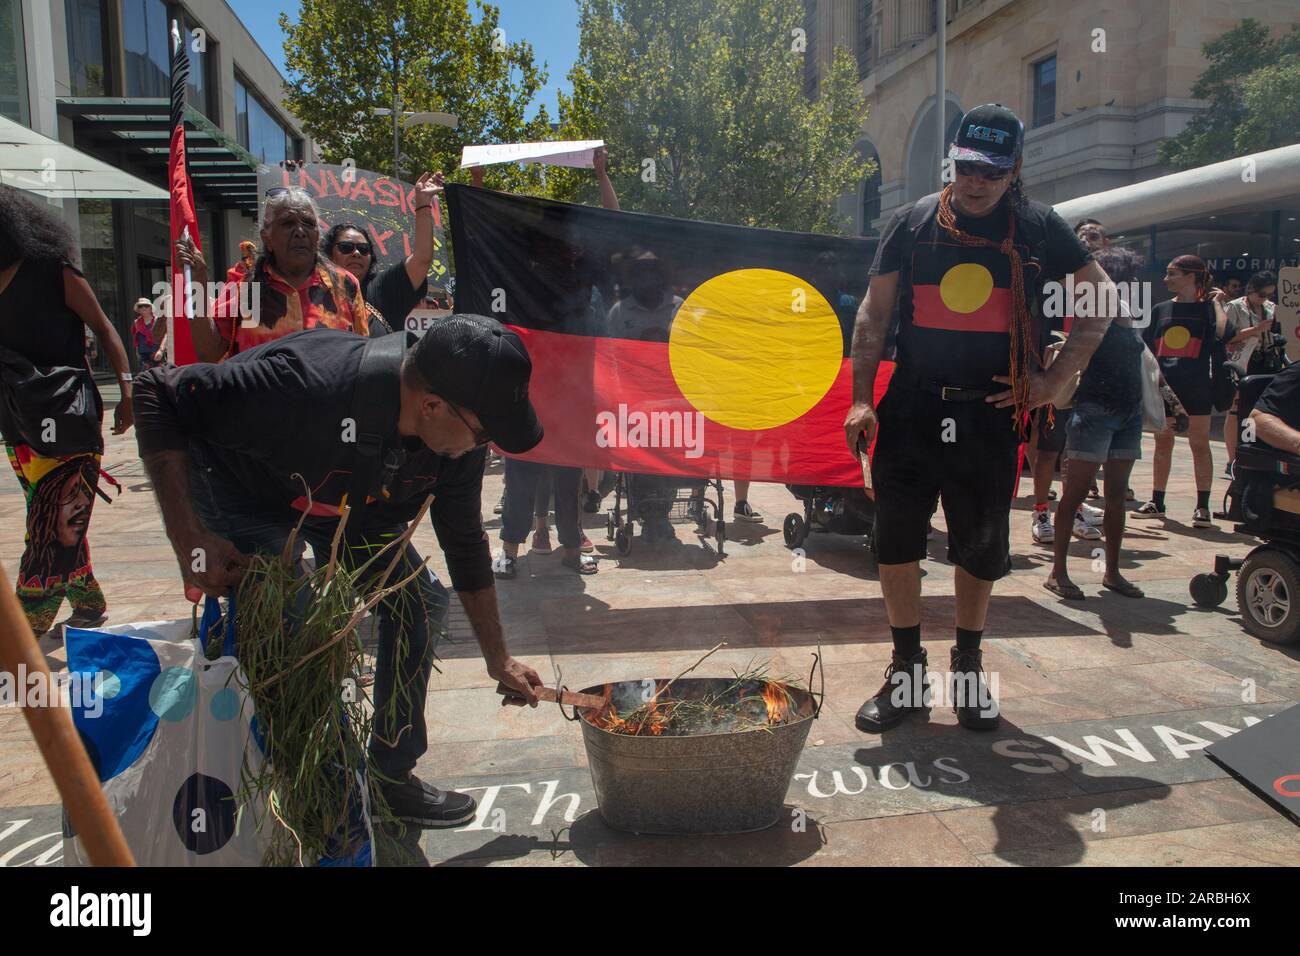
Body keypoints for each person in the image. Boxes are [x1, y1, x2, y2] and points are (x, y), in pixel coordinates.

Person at [132, 315, 546, 828]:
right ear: (431, 405)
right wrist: (188, 537)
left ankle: (391, 778)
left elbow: (464, 543)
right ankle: (318, 790)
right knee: (296, 623)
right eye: (484, 432)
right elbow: (157, 391)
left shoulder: (452, 445)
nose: (486, 446)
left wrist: (498, 657)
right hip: (242, 488)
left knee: (416, 601)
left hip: (349, 498)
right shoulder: (302, 386)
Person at [844, 104, 1112, 733]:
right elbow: (872, 316)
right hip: (910, 406)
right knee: (897, 542)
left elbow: (1101, 301)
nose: (976, 181)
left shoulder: (1041, 228)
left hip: (990, 416)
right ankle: (906, 675)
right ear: (953, 160)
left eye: (991, 171)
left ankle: (968, 671)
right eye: (966, 166)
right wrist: (861, 397)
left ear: (1014, 169)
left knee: (981, 546)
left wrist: (1053, 380)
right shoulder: (910, 222)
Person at [0, 185, 134, 635]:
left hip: (67, 416)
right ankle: (89, 602)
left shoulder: (49, 268)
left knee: (52, 528)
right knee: (57, 514)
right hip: (17, 421)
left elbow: (104, 326)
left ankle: (23, 629)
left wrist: (127, 388)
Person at [1043, 245, 1149, 600]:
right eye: (1127, 277)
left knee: (1116, 496)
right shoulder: (1094, 311)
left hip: (1126, 414)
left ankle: (1112, 572)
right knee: (1074, 495)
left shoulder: (1124, 314)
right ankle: (1058, 571)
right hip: (1094, 413)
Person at [174, 187, 367, 362]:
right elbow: (209, 353)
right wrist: (196, 282)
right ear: (267, 238)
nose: (300, 231)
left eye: (308, 223)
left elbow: (362, 357)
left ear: (318, 236)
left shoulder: (346, 284)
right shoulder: (243, 284)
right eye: (287, 223)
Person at [1134, 255, 1231, 527]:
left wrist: (1217, 303)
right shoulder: (1161, 309)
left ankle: (1202, 507)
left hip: (1198, 387)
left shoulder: (1209, 310)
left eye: (1172, 273)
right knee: (1163, 443)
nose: (1166, 279)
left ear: (1191, 276)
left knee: (1199, 444)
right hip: (1165, 388)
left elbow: (1224, 333)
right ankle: (1157, 501)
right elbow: (1147, 349)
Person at [324, 171, 444, 337]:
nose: (356, 253)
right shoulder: (314, 293)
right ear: (330, 255)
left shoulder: (382, 288)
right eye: (346, 247)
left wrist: (423, 203)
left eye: (364, 249)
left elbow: (422, 258)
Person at [1224, 271, 1280, 472]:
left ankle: (1252, 453)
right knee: (1236, 410)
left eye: (1269, 295)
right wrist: (1257, 330)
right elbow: (1227, 337)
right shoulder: (1235, 307)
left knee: (1260, 410)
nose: (1264, 299)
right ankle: (1232, 458)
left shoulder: (1271, 308)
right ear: (1252, 290)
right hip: (1243, 360)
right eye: (1261, 294)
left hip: (1267, 360)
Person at [131, 297, 167, 371]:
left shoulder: (157, 320)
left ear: (151, 308)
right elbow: (136, 339)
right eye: (141, 306)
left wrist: (161, 350)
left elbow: (165, 335)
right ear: (138, 310)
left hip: (157, 353)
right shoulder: (136, 322)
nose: (144, 308)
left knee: (160, 377)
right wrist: (137, 353)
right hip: (143, 355)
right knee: (145, 378)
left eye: (146, 306)